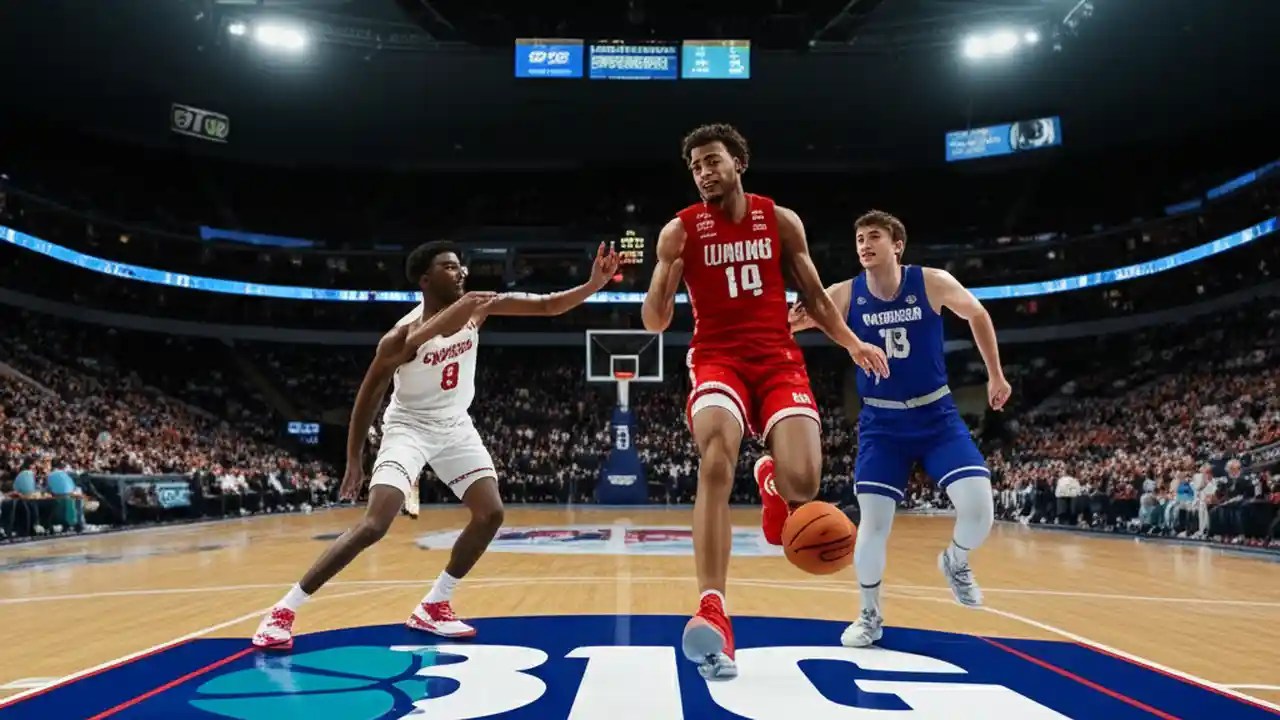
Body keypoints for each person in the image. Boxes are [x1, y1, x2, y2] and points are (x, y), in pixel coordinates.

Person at [251, 240, 620, 650]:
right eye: (448, 267)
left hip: (455, 426)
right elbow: (368, 397)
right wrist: (353, 460)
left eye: (461, 266)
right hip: (408, 428)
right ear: (425, 280)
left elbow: (548, 305)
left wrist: (593, 284)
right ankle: (283, 611)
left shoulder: (478, 307)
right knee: (375, 524)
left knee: (491, 513)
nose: (460, 271)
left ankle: (435, 604)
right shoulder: (398, 338)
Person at [642, 123, 890, 679]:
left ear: (738, 163)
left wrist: (851, 344)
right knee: (715, 461)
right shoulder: (679, 231)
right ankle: (713, 606)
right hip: (717, 359)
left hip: (779, 359)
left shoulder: (778, 220)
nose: (705, 171)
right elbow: (655, 321)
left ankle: (776, 482)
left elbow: (816, 297)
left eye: (713, 161)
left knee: (805, 487)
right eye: (696, 166)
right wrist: (664, 280)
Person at [789, 209, 1011, 648]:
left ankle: (956, 560)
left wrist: (996, 375)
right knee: (872, 525)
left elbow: (977, 314)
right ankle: (869, 616)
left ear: (897, 245)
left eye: (874, 237)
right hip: (881, 423)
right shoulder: (845, 294)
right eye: (859, 239)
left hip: (936, 416)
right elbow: (790, 324)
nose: (864, 245)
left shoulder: (930, 282)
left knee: (980, 509)